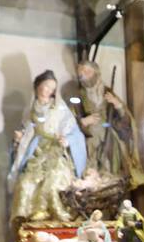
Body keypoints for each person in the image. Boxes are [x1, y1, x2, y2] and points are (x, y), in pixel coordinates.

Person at [9, 69, 87, 229]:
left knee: (53, 184)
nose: (48, 91)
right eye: (45, 86)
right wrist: (19, 137)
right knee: (25, 183)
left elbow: (76, 133)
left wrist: (67, 140)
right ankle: (29, 223)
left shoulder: (60, 109)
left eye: (52, 88)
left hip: (56, 152)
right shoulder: (31, 110)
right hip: (36, 152)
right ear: (37, 87)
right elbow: (26, 131)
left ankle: (57, 222)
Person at [74, 59, 144, 193]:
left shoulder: (107, 92)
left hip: (110, 135)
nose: (83, 75)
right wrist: (84, 122)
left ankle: (109, 179)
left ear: (96, 72)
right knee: (91, 146)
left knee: (111, 159)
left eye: (87, 71)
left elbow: (126, 120)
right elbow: (71, 120)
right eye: (80, 72)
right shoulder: (79, 96)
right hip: (89, 138)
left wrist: (117, 104)